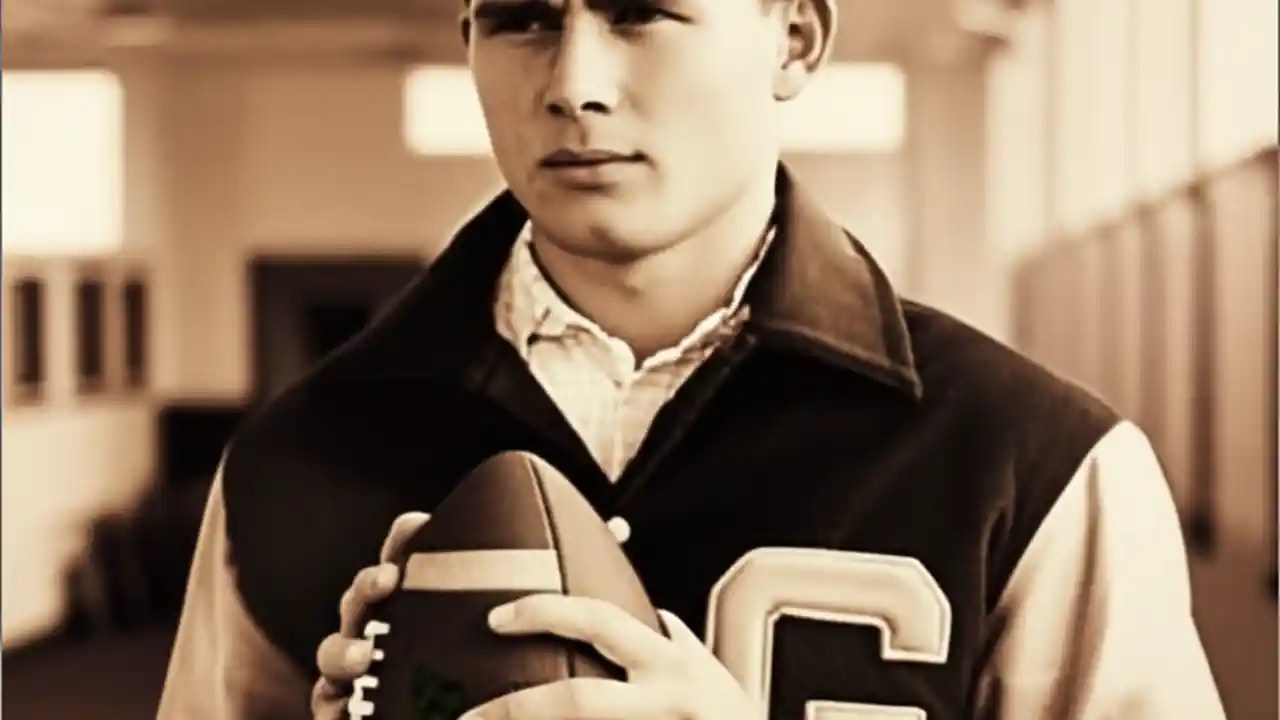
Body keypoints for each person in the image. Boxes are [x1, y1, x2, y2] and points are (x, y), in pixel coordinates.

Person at [157, 0, 1227, 717]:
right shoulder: (292, 459)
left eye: (640, 11)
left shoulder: (1035, 464)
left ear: (794, 38)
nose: (572, 80)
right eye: (521, 17)